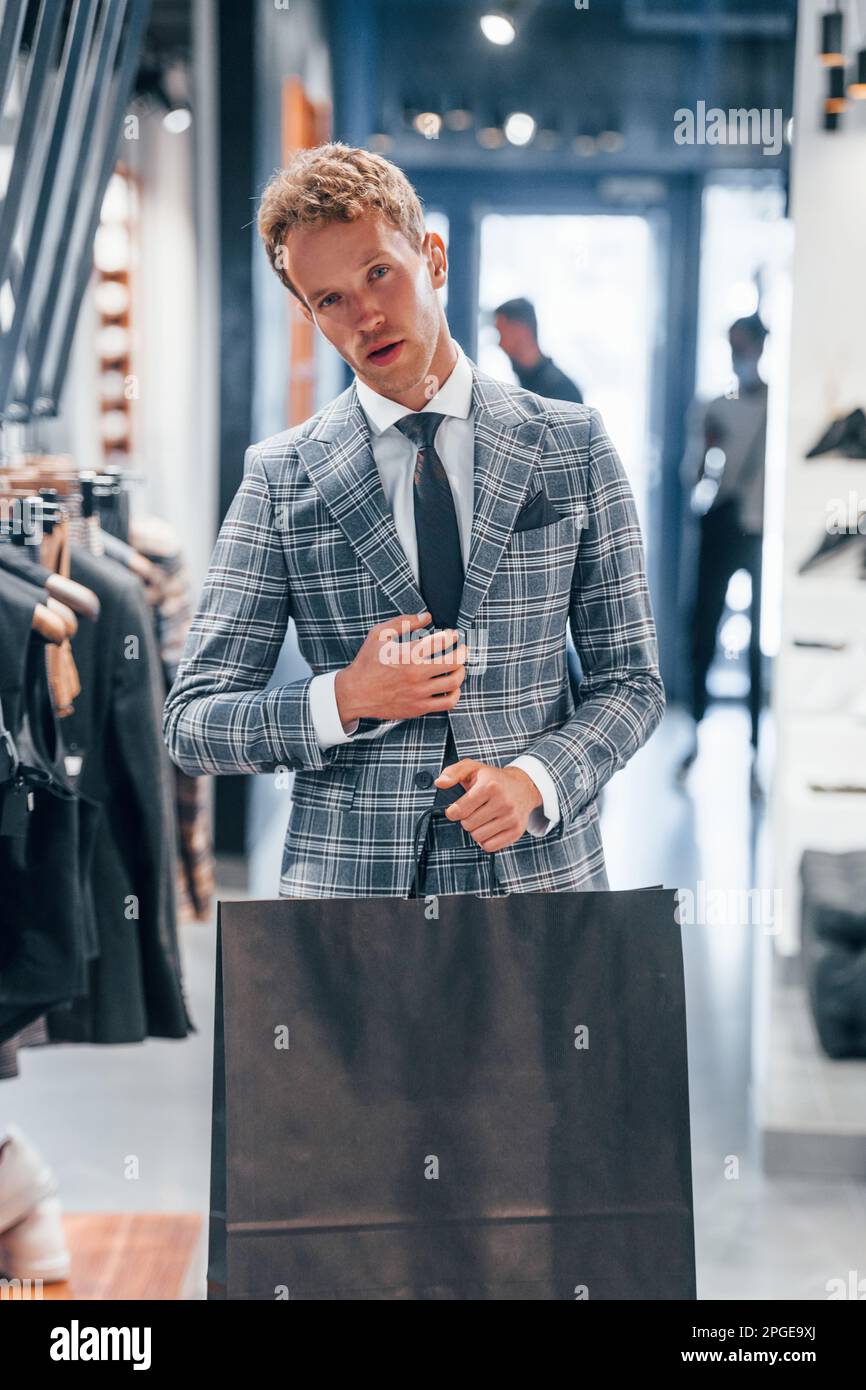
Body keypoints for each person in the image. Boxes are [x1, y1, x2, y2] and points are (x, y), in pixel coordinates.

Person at [163, 142, 664, 898]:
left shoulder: (572, 443)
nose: (364, 313)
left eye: (377, 273)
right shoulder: (280, 475)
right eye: (329, 299)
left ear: (431, 256)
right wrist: (346, 698)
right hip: (351, 909)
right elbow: (191, 723)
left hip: (537, 886)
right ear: (309, 315)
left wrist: (537, 779)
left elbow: (631, 680)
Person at [678, 312, 769, 793]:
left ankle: (756, 750)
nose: (741, 355)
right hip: (720, 528)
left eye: (746, 344)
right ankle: (694, 735)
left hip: (757, 533)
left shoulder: (777, 404)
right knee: (703, 629)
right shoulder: (714, 405)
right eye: (733, 345)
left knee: (754, 644)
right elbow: (692, 476)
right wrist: (709, 451)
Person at [494, 297, 584, 404]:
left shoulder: (562, 391)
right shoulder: (527, 384)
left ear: (520, 331)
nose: (500, 344)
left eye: (501, 334)